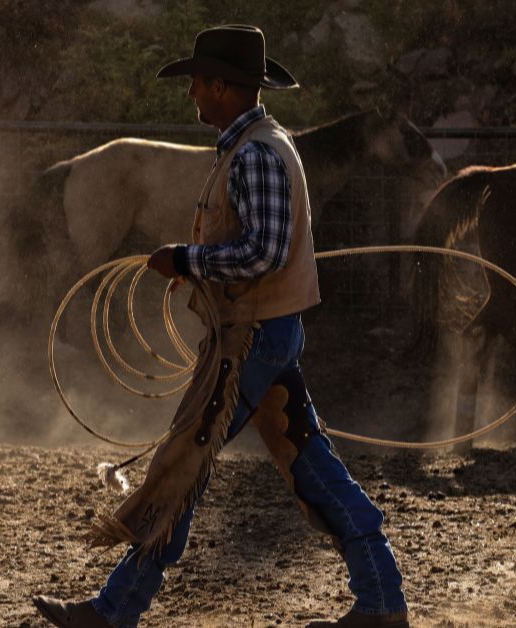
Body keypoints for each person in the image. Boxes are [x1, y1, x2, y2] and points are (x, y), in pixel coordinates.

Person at [33, 24, 410, 628]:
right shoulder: (262, 144)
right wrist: (203, 269)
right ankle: (383, 598)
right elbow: (258, 249)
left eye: (198, 85)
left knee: (182, 464)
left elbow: (262, 252)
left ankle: (112, 612)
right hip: (262, 333)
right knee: (309, 463)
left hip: (250, 338)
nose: (192, 97)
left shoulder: (255, 154)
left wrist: (186, 259)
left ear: (222, 87)